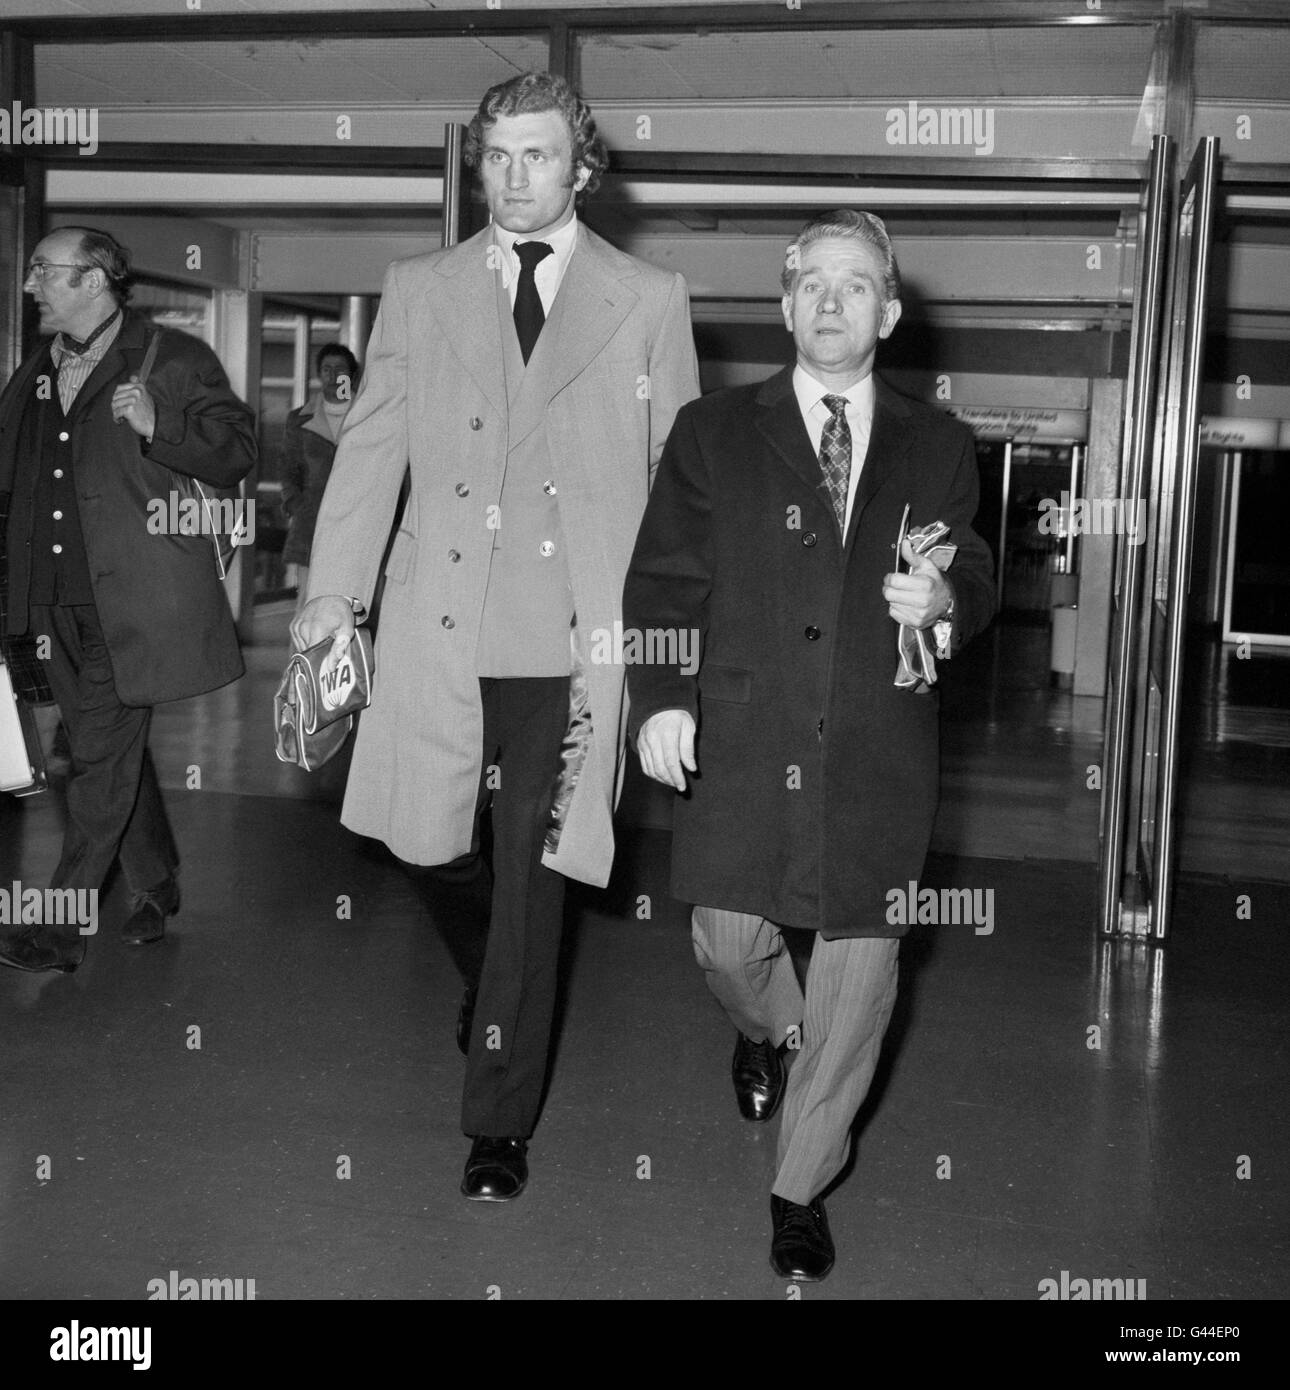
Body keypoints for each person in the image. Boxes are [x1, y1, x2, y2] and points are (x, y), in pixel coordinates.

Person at [294, 72, 699, 1202]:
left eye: (539, 155)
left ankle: (497, 1119)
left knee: (533, 874)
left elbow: (678, 481)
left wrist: (673, 645)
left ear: (584, 167)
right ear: (477, 165)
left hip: (572, 644)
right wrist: (335, 593)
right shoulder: (418, 288)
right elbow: (372, 447)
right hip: (437, 621)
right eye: (497, 156)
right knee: (417, 841)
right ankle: (497, 984)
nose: (515, 177)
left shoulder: (650, 297)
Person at [623, 210, 996, 1280]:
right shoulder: (711, 430)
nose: (832, 302)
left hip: (880, 743)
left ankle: (800, 1185)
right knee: (726, 942)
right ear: (786, 306)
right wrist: (658, 697)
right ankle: (766, 1027)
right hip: (741, 735)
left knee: (861, 975)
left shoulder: (940, 442)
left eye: (855, 283)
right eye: (812, 284)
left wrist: (941, 598)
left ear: (888, 308)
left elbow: (974, 570)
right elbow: (662, 581)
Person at [0, 226, 257, 973]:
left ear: (95, 280)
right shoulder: (36, 371)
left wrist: (160, 425)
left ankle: (58, 924)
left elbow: (237, 447)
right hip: (46, 607)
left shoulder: (172, 359)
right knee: (93, 752)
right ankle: (155, 882)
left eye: (45, 271)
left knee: (98, 759)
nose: (31, 284)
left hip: (131, 604)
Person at [280, 343, 360, 613]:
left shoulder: (369, 416)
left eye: (340, 369)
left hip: (358, 521)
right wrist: (296, 506)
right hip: (312, 524)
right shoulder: (299, 420)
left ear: (352, 375)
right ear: (318, 374)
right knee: (309, 600)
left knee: (354, 601)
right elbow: (288, 470)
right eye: (327, 369)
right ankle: (304, 656)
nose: (333, 375)